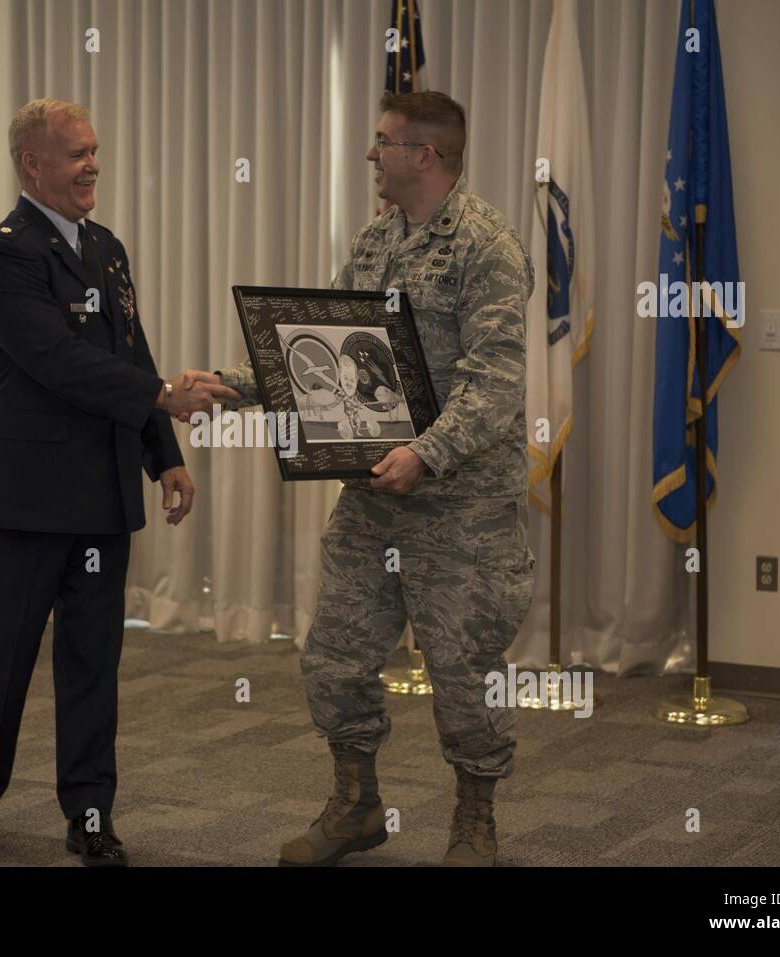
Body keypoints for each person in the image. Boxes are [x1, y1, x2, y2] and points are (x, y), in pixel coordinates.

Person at [206, 91, 535, 866]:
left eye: (382, 141)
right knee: (336, 656)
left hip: (463, 509)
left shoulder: (488, 248)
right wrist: (235, 383)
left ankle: (475, 819)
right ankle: (355, 802)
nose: (369, 154)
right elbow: (322, 349)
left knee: (462, 670)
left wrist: (428, 451)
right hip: (373, 499)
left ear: (426, 155)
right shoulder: (374, 242)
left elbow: (496, 382)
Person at [0, 97, 239, 868]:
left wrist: (166, 456)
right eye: (76, 154)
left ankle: (90, 810)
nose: (93, 164)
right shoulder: (6, 254)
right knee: (2, 662)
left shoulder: (106, 247)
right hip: (28, 502)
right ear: (34, 164)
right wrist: (163, 396)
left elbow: (130, 353)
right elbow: (57, 362)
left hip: (100, 501)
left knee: (93, 663)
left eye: (95, 150)